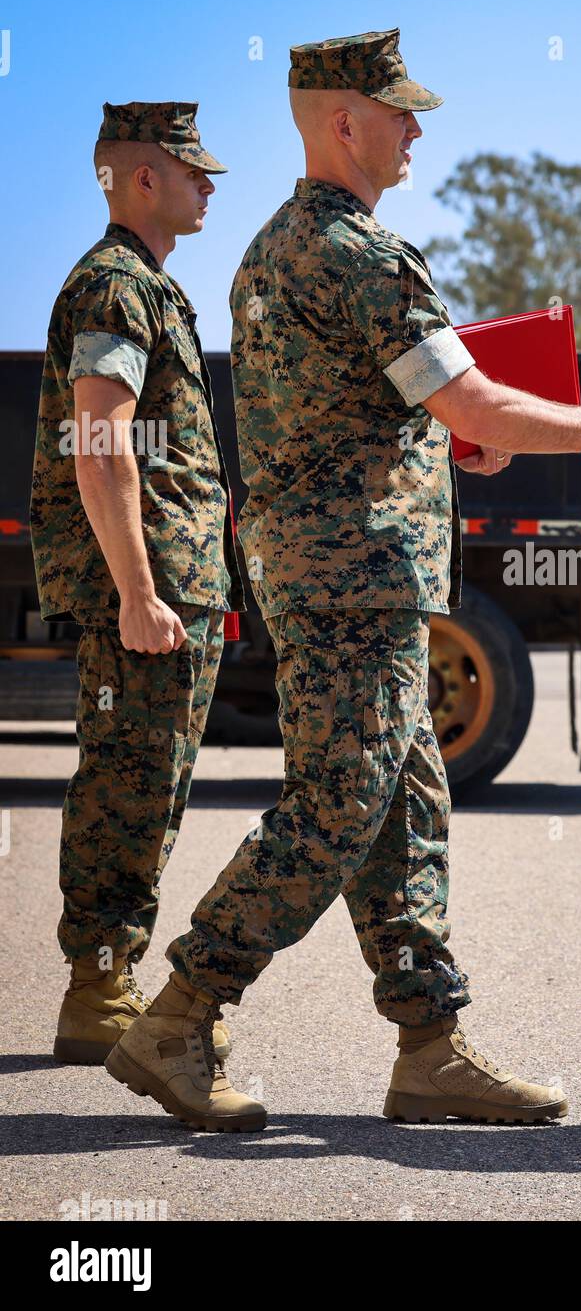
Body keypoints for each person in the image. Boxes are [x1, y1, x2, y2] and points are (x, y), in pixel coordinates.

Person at [105, 29, 581, 1132]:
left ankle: (431, 1048)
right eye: (401, 111)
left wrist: (444, 443)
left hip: (335, 567)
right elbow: (472, 400)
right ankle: (180, 1011)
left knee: (403, 806)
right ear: (342, 122)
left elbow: (380, 409)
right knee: (339, 802)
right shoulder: (358, 253)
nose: (417, 129)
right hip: (353, 576)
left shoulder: (277, 248)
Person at [30, 102, 245, 1065]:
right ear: (143, 177)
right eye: (194, 170)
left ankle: (109, 973)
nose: (210, 184)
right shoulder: (115, 286)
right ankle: (99, 984)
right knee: (130, 780)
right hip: (145, 593)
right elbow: (99, 441)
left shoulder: (151, 287)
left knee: (154, 782)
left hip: (172, 584)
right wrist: (136, 592)